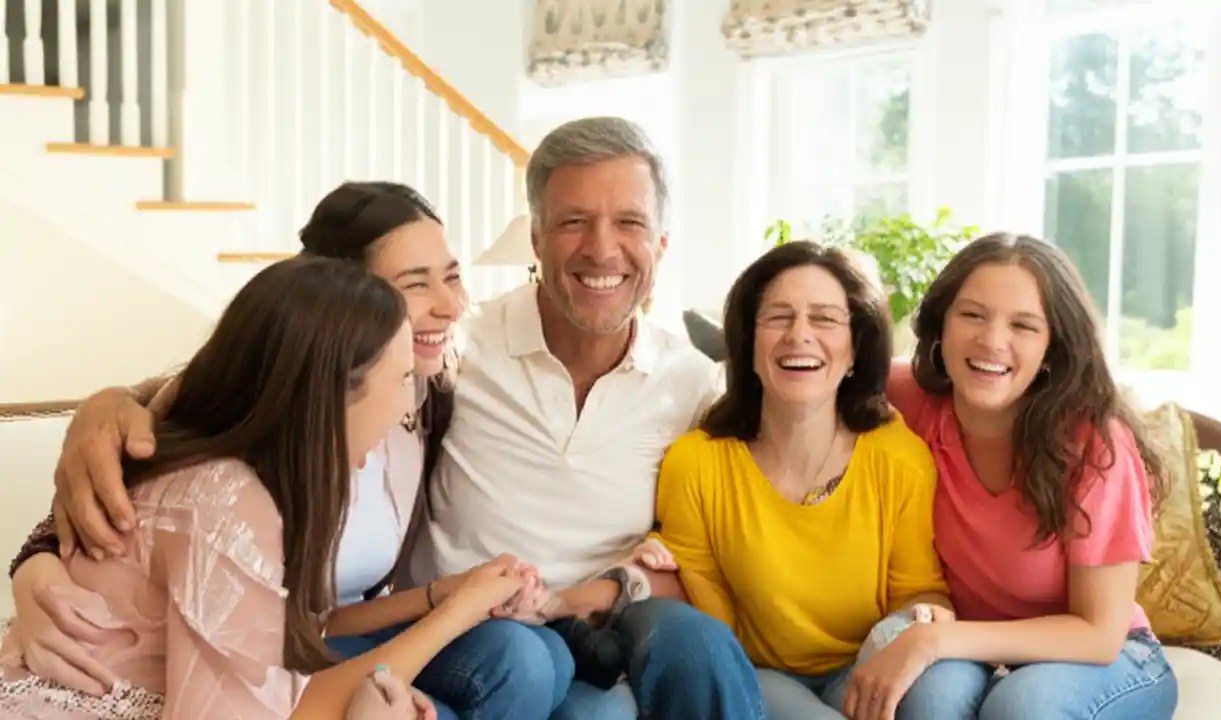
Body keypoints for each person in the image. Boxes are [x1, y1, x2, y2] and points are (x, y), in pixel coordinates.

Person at [17, 118, 764, 720]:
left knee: (579, 657)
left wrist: (555, 593)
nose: (447, 306)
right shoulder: (447, 359)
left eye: (452, 277)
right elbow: (175, 433)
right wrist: (57, 511)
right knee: (528, 664)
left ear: (661, 243)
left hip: (496, 628)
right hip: (321, 659)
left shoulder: (440, 385)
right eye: (573, 221)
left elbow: (713, 531)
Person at [6, 182, 570, 720]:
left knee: (537, 659)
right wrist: (35, 561)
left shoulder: (419, 400)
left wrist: (453, 595)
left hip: (292, 645)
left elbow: (302, 620)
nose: (448, 306)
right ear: (336, 329)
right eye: (415, 284)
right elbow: (105, 511)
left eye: (451, 276)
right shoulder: (226, 494)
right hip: (218, 678)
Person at [847, 233, 1178, 719]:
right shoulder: (906, 400)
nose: (991, 341)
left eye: (1023, 325)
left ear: (1053, 346)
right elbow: (815, 376)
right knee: (928, 699)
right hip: (973, 650)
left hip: (1109, 659)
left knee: (1024, 707)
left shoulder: (1096, 444)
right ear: (941, 323)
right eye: (972, 315)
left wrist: (936, 638)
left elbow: (1099, 633)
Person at [651, 241, 953, 719]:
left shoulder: (899, 457)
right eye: (778, 317)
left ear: (855, 348)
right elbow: (706, 617)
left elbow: (919, 591)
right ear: (748, 344)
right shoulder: (695, 462)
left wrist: (912, 630)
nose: (799, 335)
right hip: (756, 672)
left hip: (867, 662)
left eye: (825, 319)